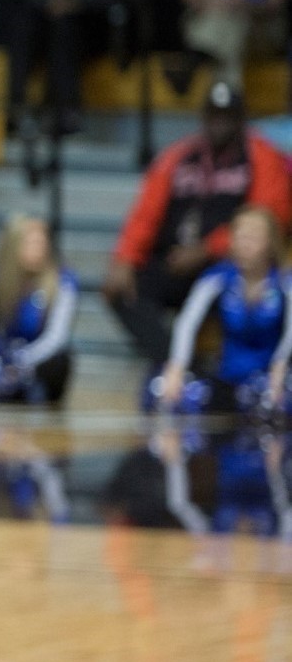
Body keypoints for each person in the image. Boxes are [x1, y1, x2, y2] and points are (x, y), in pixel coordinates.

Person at [103, 82, 292, 366]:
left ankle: (248, 367)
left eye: (228, 116)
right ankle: (179, 365)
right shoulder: (179, 156)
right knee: (123, 290)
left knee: (246, 286)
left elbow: (268, 218)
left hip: (231, 265)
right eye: (214, 115)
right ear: (203, 117)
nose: (220, 124)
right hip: (174, 261)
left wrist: (208, 249)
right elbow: (145, 213)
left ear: (241, 119)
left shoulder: (261, 156)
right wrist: (125, 257)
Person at [6, 0, 142, 136]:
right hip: (49, 13)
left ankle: (67, 112)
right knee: (23, 22)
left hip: (93, 23)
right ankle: (16, 107)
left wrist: (78, 1)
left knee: (65, 27)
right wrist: (50, 1)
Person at [153, 205, 292, 414]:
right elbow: (187, 322)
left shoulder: (284, 281)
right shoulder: (217, 277)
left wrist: (279, 366)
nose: (245, 244)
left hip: (268, 376)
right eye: (240, 236)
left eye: (253, 237)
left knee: (275, 401)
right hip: (227, 377)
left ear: (270, 243)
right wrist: (176, 366)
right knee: (159, 387)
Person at [0, 215, 78, 403]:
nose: (39, 249)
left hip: (37, 359)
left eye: (43, 242)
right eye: (32, 243)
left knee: (59, 363)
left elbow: (56, 338)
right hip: (0, 352)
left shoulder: (63, 282)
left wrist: (21, 359)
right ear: (13, 245)